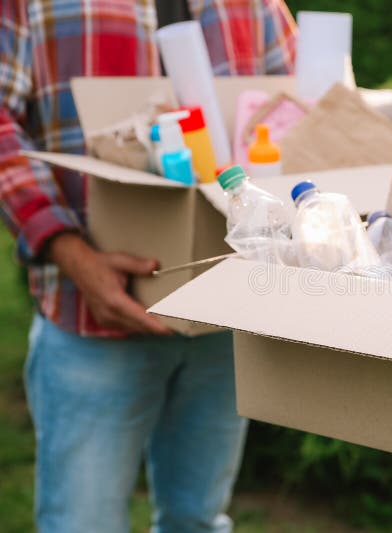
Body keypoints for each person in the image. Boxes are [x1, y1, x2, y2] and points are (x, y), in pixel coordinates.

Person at [0, 1, 296, 532]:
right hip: (91, 320)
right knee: (80, 523)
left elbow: (302, 108)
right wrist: (70, 251)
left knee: (198, 520)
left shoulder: (255, 5)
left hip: (225, 318)